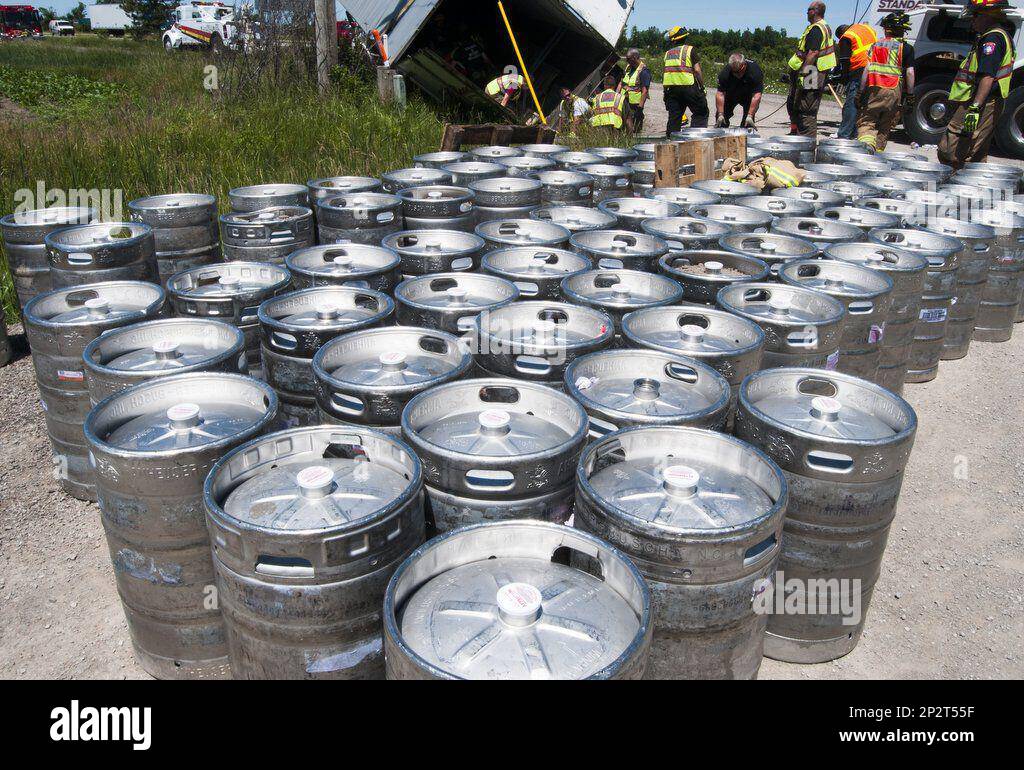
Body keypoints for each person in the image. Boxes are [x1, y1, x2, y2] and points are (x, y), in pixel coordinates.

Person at [938, 0, 1016, 170]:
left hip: (982, 101)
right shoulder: (996, 35)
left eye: (975, 16)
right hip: (986, 101)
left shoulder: (992, 38)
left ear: (987, 15)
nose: (972, 21)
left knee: (951, 149)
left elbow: (987, 76)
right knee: (976, 151)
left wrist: (975, 107)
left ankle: (955, 182)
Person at [856, 12, 915, 152]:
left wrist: (860, 91)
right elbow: (910, 72)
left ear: (886, 28)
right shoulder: (906, 48)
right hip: (894, 91)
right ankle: (878, 154)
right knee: (885, 125)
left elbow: (867, 70)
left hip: (874, 89)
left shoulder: (876, 45)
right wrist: (911, 96)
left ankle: (866, 148)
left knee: (867, 121)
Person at [786, 1, 837, 138]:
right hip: (815, 71)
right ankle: (798, 135)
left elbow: (813, 53)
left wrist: (804, 73)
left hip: (812, 73)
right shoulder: (823, 27)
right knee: (799, 104)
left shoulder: (816, 29)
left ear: (815, 11)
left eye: (808, 10)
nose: (806, 12)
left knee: (806, 108)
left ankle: (805, 142)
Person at [663, 26, 709, 135]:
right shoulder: (690, 50)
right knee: (701, 112)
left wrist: (665, 92)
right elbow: (697, 70)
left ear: (673, 40)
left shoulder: (668, 53)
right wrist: (702, 87)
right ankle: (696, 138)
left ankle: (671, 142)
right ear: (685, 37)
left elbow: (666, 73)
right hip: (689, 88)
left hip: (672, 90)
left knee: (674, 118)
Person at [835, 20, 878, 138]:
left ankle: (844, 134)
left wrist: (843, 78)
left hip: (859, 68)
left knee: (852, 102)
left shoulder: (846, 36)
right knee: (863, 102)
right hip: (874, 68)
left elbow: (844, 60)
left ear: (841, 34)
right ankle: (855, 133)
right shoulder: (868, 29)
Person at [715, 53, 764, 128]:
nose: (736, 74)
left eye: (738, 72)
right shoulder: (725, 73)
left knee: (747, 123)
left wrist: (750, 115)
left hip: (748, 96)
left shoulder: (755, 72)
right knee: (721, 121)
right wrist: (720, 114)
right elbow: (720, 94)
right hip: (731, 94)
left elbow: (756, 96)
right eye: (734, 72)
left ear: (744, 65)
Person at [619, 48, 652, 132]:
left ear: (635, 57)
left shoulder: (644, 71)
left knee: (635, 129)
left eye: (628, 59)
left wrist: (640, 109)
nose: (627, 61)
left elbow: (644, 91)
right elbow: (621, 83)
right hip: (624, 102)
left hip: (635, 106)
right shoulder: (628, 68)